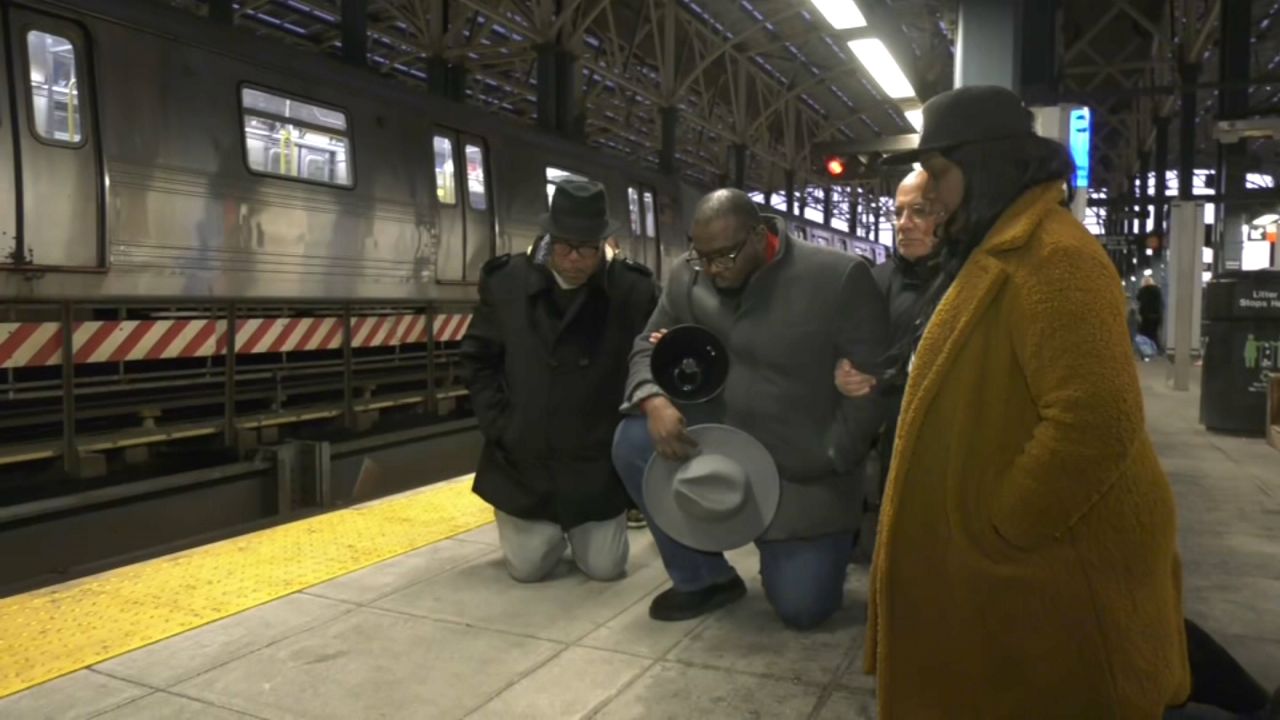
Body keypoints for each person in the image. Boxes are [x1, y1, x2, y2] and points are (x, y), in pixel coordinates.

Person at [851, 85, 1190, 716]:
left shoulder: (1054, 257)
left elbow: (1095, 421)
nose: (934, 194)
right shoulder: (1001, 248)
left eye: (942, 173)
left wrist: (1004, 525)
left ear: (984, 165)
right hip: (1005, 554)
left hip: (1040, 557)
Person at [610, 188, 889, 629]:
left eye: (726, 256)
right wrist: (653, 397)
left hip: (802, 466)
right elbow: (647, 344)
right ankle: (704, 578)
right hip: (722, 444)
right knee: (633, 440)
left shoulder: (839, 278)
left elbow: (873, 385)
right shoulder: (690, 275)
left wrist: (835, 454)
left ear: (760, 235)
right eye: (703, 257)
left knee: (804, 609)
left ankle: (813, 545)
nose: (714, 271)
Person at [460, 180, 659, 583]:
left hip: (595, 462)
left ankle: (586, 530)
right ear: (548, 238)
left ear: (603, 243)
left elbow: (650, 361)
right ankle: (541, 531)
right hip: (526, 460)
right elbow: (477, 360)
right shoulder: (507, 283)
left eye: (587, 248)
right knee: (528, 569)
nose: (574, 259)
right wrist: (502, 426)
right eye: (564, 246)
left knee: (606, 569)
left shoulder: (632, 290)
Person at [844, 168, 944, 563]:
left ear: (950, 215)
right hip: (886, 434)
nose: (904, 225)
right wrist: (845, 370)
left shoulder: (970, 280)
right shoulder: (875, 280)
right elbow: (850, 344)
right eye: (898, 213)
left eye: (919, 211)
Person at [1138, 275, 1164, 351]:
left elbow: (1139, 300)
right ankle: (1158, 349)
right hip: (1157, 316)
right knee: (1154, 333)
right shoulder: (1157, 290)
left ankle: (1147, 350)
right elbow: (1161, 303)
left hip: (1146, 317)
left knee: (1143, 334)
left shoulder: (1143, 291)